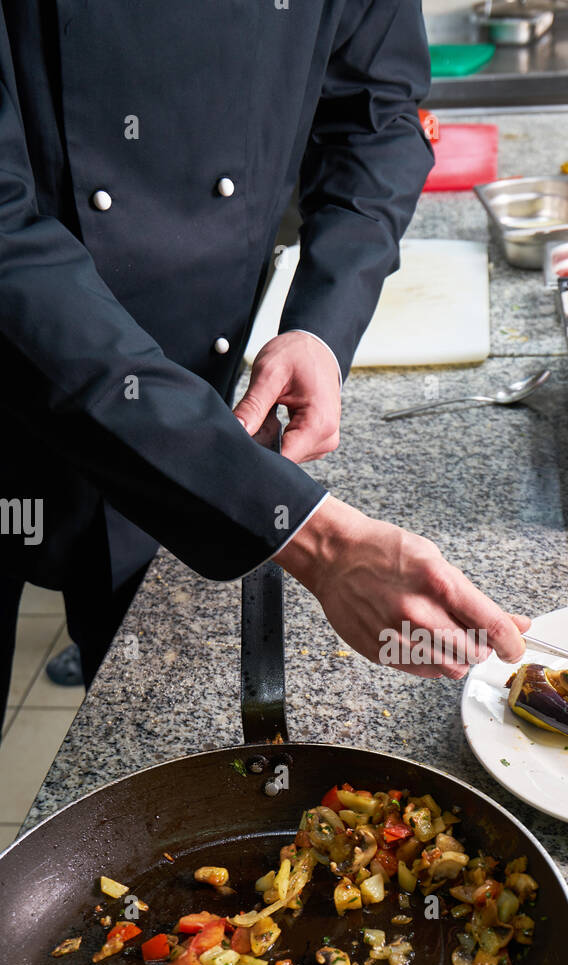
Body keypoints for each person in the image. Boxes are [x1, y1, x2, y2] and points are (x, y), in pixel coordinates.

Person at [0, 1, 526, 735]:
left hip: (192, 406)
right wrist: (320, 541)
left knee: (134, 698)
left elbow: (375, 118)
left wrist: (322, 325)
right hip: (18, 374)